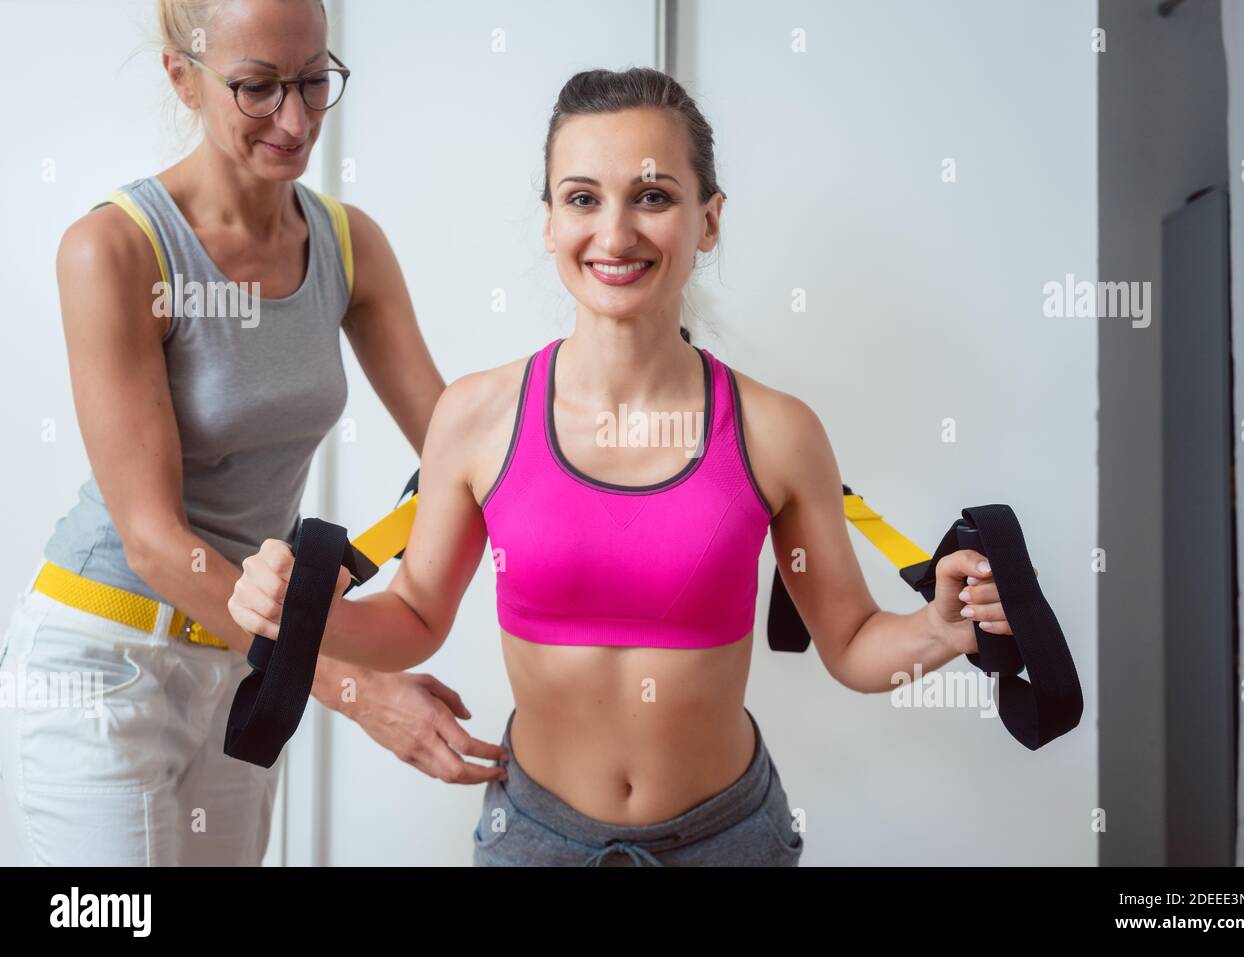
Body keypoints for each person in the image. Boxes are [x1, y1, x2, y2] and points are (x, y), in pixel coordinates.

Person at [229, 67, 1013, 866]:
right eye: (581, 198)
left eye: (652, 197)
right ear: (547, 222)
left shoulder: (779, 431)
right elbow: (416, 619)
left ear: (709, 221)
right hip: (537, 837)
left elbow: (849, 641)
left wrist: (940, 627)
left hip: (730, 839)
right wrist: (304, 611)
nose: (614, 234)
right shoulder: (474, 417)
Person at [0, 0, 505, 867]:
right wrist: (357, 688)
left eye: (313, 80)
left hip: (242, 666)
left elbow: (459, 451)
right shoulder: (116, 251)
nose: (296, 119)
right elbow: (157, 542)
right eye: (257, 88)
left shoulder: (349, 244)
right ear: (180, 74)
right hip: (103, 660)